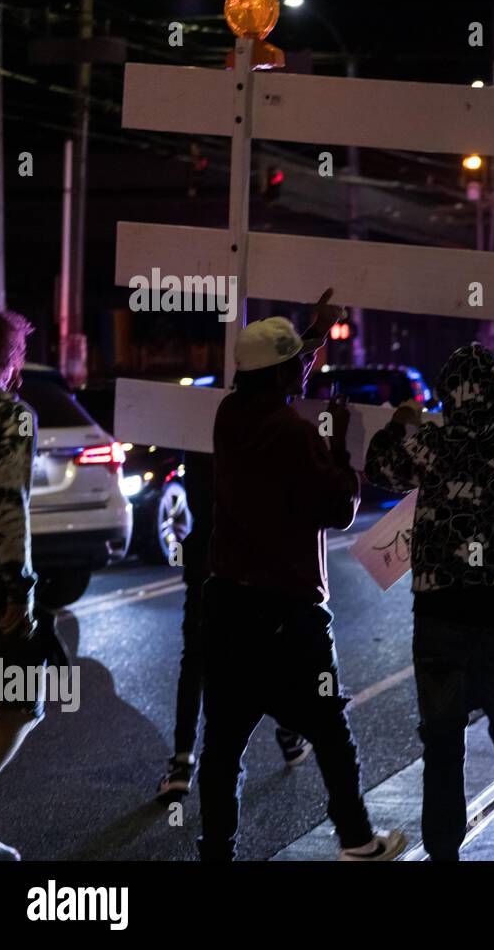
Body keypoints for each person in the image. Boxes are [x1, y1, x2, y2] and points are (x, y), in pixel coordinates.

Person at [363, 291, 494, 861]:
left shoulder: (429, 447)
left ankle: (442, 852)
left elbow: (378, 463)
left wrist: (404, 418)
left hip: (436, 618)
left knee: (441, 745)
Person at [197, 291, 405, 861]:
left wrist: (312, 337)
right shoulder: (293, 434)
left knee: (222, 746)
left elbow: (277, 375)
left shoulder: (230, 415)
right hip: (288, 615)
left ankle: (216, 852)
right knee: (330, 729)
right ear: (285, 374)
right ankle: (359, 840)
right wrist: (335, 440)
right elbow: (338, 507)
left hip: (227, 609)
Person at [155, 449, 311, 803]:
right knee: (262, 653)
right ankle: (287, 732)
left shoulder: (203, 427)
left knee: (196, 660)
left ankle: (182, 764)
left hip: (207, 559)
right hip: (253, 562)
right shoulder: (265, 426)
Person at [0, 304, 65, 861]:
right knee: (20, 701)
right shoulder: (8, 417)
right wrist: (21, 590)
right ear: (6, 360)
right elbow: (9, 507)